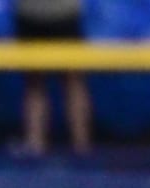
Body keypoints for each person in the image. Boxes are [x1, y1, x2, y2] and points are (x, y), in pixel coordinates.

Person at [13, 0, 92, 154]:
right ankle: (36, 143)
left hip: (62, 13)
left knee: (71, 80)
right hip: (31, 13)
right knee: (36, 83)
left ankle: (81, 145)